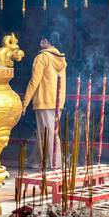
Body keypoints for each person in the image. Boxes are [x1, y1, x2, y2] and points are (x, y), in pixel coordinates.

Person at [21, 33, 67, 170]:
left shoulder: (42, 58)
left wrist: (25, 103)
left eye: (42, 39)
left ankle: (56, 163)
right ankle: (35, 161)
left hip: (44, 100)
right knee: (45, 131)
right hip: (57, 100)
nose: (40, 41)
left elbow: (34, 82)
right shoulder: (60, 59)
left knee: (48, 133)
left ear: (46, 41)